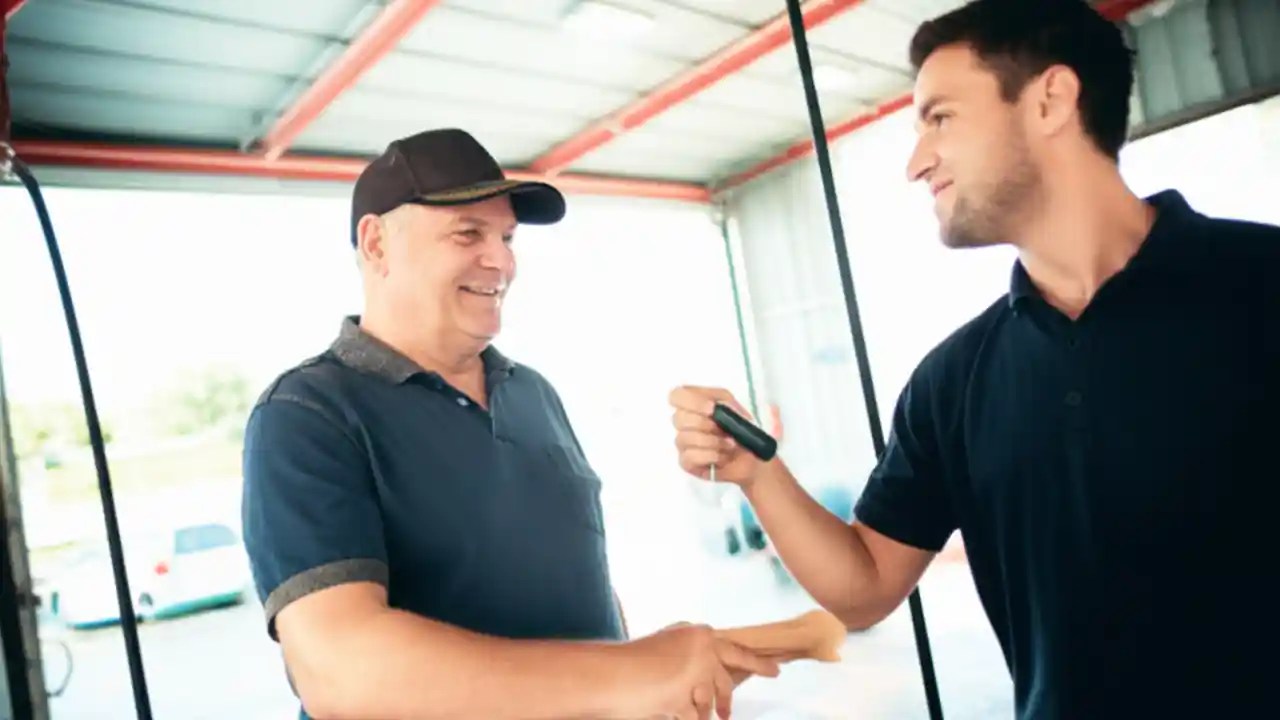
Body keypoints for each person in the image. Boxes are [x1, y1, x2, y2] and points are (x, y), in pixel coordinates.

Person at [669, 1, 1278, 718]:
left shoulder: (1261, 287)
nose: (916, 161)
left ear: (1050, 100)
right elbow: (865, 587)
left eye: (940, 118)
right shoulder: (953, 383)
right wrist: (758, 474)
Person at [241, 128, 779, 720]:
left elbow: (582, 584)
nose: (502, 260)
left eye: (506, 236)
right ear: (376, 245)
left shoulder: (533, 393)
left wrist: (641, 688)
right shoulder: (308, 415)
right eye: (468, 234)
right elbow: (340, 674)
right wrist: (629, 671)